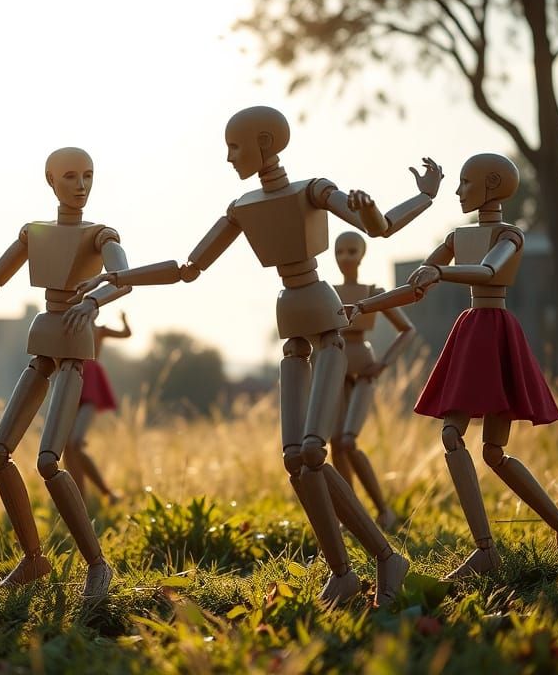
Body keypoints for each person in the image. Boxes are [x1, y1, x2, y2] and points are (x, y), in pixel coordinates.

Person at [76, 106, 442, 606]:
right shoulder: (242, 206)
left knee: (315, 451)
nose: (229, 158)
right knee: (295, 458)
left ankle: (385, 557)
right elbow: (189, 266)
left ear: (266, 142)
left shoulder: (313, 189)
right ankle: (342, 573)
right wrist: (125, 276)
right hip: (290, 324)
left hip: (327, 321)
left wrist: (420, 197)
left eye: (235, 147)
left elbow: (378, 228)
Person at [352, 153, 558, 579]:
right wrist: (364, 305)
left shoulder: (509, 233)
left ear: (492, 184)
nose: (458, 191)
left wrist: (441, 274)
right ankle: (555, 533)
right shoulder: (458, 236)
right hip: (473, 330)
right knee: (475, 445)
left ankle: (503, 547)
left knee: (478, 446)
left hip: (493, 331)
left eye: (465, 183)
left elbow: (487, 269)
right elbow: (415, 284)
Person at [0, 147, 132, 601]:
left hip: (73, 346)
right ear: (50, 180)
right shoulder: (34, 233)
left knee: (49, 460)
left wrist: (93, 299)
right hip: (43, 340)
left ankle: (97, 566)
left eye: (88, 176)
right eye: (70, 176)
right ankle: (33, 558)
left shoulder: (101, 234)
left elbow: (122, 275)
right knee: (0, 454)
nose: (80, 185)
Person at [331, 232, 415, 530]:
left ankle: (383, 510)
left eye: (352, 251)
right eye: (340, 251)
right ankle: (350, 514)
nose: (345, 258)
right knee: (335, 444)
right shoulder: (328, 291)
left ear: (362, 255)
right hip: (335, 368)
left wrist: (383, 364)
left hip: (364, 369)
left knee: (348, 440)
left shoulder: (372, 291)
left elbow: (407, 329)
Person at [65, 312, 132, 502]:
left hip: (90, 382)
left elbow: (126, 334)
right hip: (72, 381)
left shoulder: (99, 330)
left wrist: (124, 321)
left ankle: (107, 493)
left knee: (75, 442)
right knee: (67, 448)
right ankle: (79, 500)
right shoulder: (71, 327)